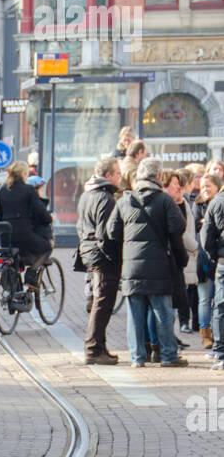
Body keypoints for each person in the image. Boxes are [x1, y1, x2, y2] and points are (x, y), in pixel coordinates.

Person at [105, 158, 188, 367]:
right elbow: (178, 226)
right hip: (159, 265)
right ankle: (168, 355)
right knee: (162, 312)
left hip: (132, 268)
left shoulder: (125, 200)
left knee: (135, 315)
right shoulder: (165, 200)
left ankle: (137, 357)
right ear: (159, 177)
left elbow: (111, 232)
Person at [76, 155, 123, 363]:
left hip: (88, 252)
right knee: (103, 303)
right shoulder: (105, 198)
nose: (121, 177)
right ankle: (94, 349)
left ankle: (100, 347)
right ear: (108, 175)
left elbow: (81, 227)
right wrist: (114, 257)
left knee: (99, 301)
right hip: (101, 256)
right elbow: (106, 234)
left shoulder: (87, 195)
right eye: (118, 174)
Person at [0, 160, 53, 283]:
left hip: (6, 238)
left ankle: (12, 286)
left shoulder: (2, 190)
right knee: (47, 247)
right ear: (24, 174)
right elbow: (39, 211)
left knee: (13, 257)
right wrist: (49, 218)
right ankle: (31, 273)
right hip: (24, 236)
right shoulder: (29, 190)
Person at [163, 169, 197, 347]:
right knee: (169, 303)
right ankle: (168, 339)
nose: (180, 189)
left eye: (180, 185)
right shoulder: (168, 205)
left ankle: (172, 336)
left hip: (182, 258)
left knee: (177, 299)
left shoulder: (183, 203)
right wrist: (195, 248)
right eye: (176, 185)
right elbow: (180, 232)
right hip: (174, 258)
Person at [200, 174, 224, 371]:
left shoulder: (217, 202)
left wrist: (216, 255)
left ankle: (221, 352)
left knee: (221, 306)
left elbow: (206, 237)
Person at [195, 173, 221, 350]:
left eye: (208, 186)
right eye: (202, 186)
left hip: (217, 258)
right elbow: (198, 230)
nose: (205, 189)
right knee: (205, 298)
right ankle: (205, 333)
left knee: (218, 301)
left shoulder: (218, 203)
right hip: (204, 257)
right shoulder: (198, 206)